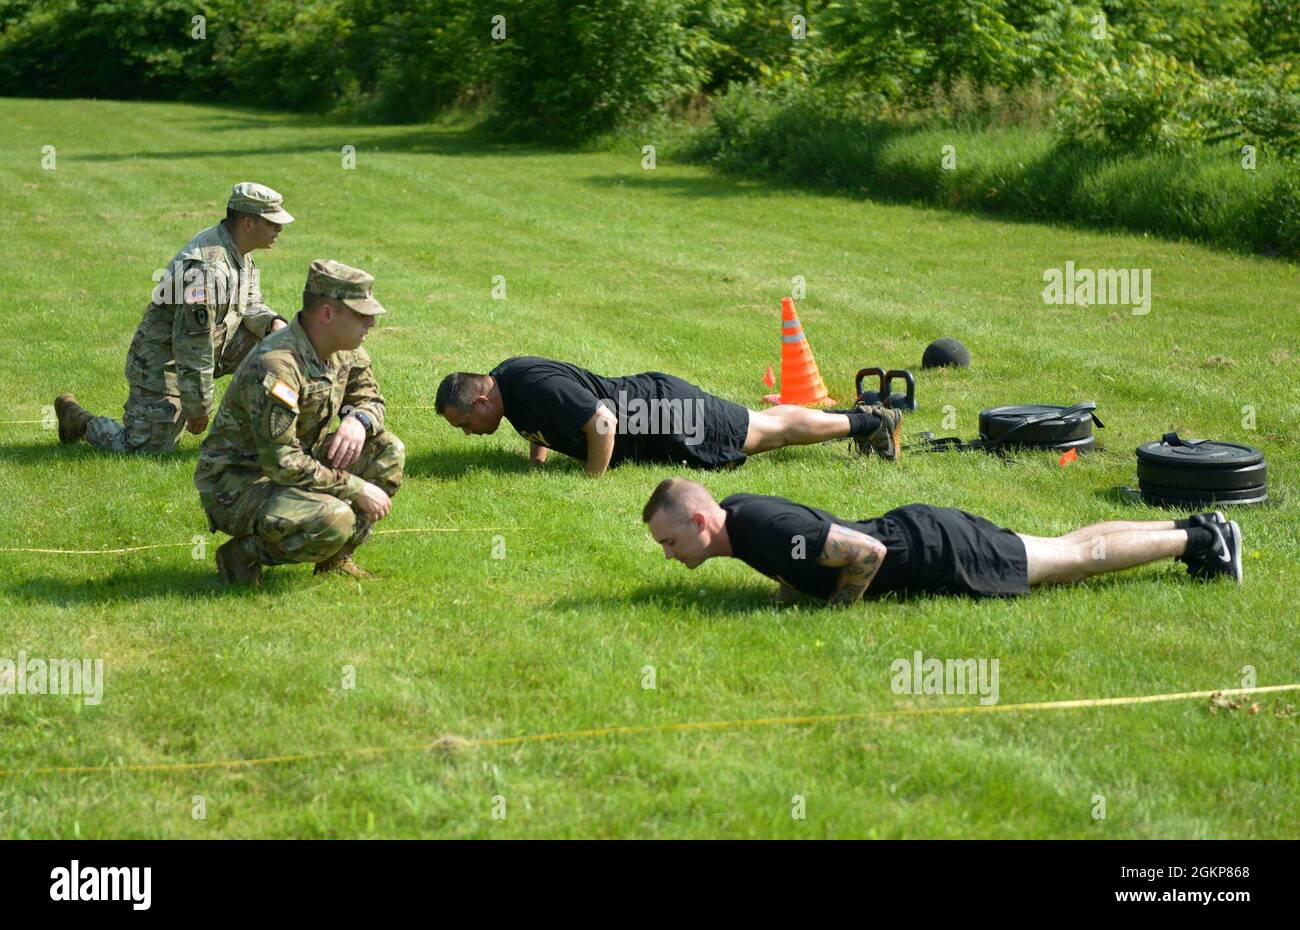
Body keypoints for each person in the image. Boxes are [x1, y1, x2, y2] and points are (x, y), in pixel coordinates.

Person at [642, 478, 1243, 604]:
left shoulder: (760, 529)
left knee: (1073, 561)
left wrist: (832, 606)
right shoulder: (740, 519)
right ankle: (1188, 530)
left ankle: (1199, 541)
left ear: (699, 523)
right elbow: (805, 555)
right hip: (926, 530)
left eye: (669, 543)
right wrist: (794, 586)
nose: (670, 557)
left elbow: (865, 555)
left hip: (939, 549)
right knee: (1062, 545)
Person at [194, 260, 404, 585]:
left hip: (294, 463)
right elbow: (282, 463)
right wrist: (356, 487)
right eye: (362, 315)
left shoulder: (345, 350)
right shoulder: (276, 367)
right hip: (240, 483)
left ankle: (336, 559)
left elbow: (370, 400)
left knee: (387, 450)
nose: (372, 323)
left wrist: (358, 421)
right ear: (327, 314)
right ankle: (243, 555)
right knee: (336, 518)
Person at [55, 182, 294, 453]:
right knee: (146, 448)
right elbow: (193, 347)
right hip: (164, 360)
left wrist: (274, 323)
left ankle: (264, 436)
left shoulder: (239, 250)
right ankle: (78, 420)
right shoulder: (207, 270)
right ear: (249, 223)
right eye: (272, 222)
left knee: (285, 345)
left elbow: (250, 303)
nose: (279, 228)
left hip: (216, 345)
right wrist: (199, 407)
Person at [434, 356, 902, 477]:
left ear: (480, 402)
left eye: (465, 424)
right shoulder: (505, 389)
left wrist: (594, 479)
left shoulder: (532, 385)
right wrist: (539, 458)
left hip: (665, 412)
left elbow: (602, 423)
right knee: (764, 427)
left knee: (769, 432)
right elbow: (540, 421)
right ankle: (864, 421)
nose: (471, 434)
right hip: (653, 416)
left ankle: (872, 421)